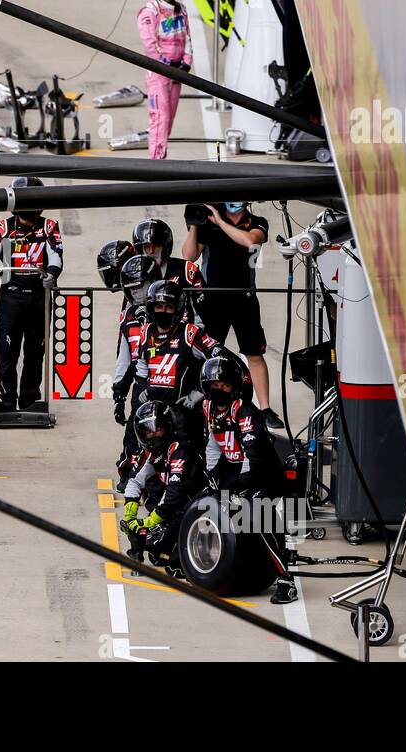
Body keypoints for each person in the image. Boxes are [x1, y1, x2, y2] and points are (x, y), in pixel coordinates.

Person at [191, 356, 297, 604]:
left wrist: (238, 487)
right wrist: (211, 476)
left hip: (263, 475)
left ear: (234, 386)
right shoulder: (208, 410)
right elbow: (213, 446)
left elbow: (254, 456)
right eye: (213, 386)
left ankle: (286, 580)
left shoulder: (245, 411)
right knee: (198, 502)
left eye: (224, 385)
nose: (219, 391)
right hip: (236, 472)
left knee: (257, 518)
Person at [181, 201, 284, 430]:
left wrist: (220, 222)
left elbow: (250, 241)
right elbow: (189, 256)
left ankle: (265, 409)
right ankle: (200, 401)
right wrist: (195, 225)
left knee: (254, 353)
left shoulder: (257, 223)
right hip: (213, 298)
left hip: (243, 297)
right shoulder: (208, 224)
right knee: (204, 353)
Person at [0, 177, 64, 410]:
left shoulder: (49, 227)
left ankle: (29, 398)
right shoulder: (3, 227)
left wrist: (51, 273)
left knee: (35, 351)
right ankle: (7, 398)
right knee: (6, 351)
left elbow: (56, 256)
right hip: (11, 296)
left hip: (39, 297)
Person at [119, 400, 207, 572]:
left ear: (168, 426)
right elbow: (135, 481)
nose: (153, 435)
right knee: (152, 545)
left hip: (198, 509)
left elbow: (174, 494)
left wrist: (148, 521)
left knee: (171, 562)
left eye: (157, 429)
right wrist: (130, 517)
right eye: (148, 431)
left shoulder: (179, 450)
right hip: (176, 510)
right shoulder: (153, 453)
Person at [133, 280, 230, 405]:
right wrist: (142, 389)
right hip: (154, 410)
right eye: (159, 306)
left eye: (169, 307)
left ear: (177, 310)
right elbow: (140, 371)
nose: (163, 311)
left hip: (184, 410)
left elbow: (221, 358)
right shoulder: (145, 332)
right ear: (151, 308)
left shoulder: (190, 333)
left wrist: (201, 392)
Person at [112, 255, 161, 484]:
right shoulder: (127, 316)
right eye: (132, 289)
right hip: (141, 383)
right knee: (135, 431)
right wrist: (119, 393)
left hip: (168, 381)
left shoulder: (169, 308)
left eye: (141, 286)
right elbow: (123, 355)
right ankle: (129, 472)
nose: (137, 293)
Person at [138, 0, 193, 160]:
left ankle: (160, 159)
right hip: (159, 74)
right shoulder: (149, 12)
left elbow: (188, 37)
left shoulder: (181, 10)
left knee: (168, 121)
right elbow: (150, 47)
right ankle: (156, 164)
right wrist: (166, 64)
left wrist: (186, 61)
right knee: (160, 119)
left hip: (177, 73)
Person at [132, 218, 204, 322]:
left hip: (183, 333)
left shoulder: (187, 269)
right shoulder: (134, 275)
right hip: (148, 334)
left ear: (165, 247)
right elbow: (128, 315)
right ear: (140, 250)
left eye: (156, 246)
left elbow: (203, 311)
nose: (151, 251)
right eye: (147, 247)